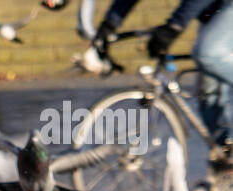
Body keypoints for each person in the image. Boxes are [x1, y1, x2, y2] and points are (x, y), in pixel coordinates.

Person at [93, 0, 233, 166]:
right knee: (209, 96)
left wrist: (174, 27)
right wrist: (109, 25)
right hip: (213, 11)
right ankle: (227, 157)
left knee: (208, 54)